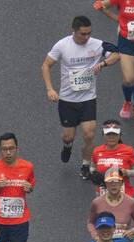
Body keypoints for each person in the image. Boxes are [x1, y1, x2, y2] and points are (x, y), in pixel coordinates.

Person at [42, 16, 117, 174]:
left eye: (89, 33)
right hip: (67, 100)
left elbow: (117, 53)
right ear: (73, 31)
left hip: (88, 98)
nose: (86, 37)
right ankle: (67, 146)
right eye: (83, 34)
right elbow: (46, 65)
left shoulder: (97, 44)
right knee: (68, 136)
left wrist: (103, 64)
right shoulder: (62, 45)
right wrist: (50, 89)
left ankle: (86, 164)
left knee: (89, 134)